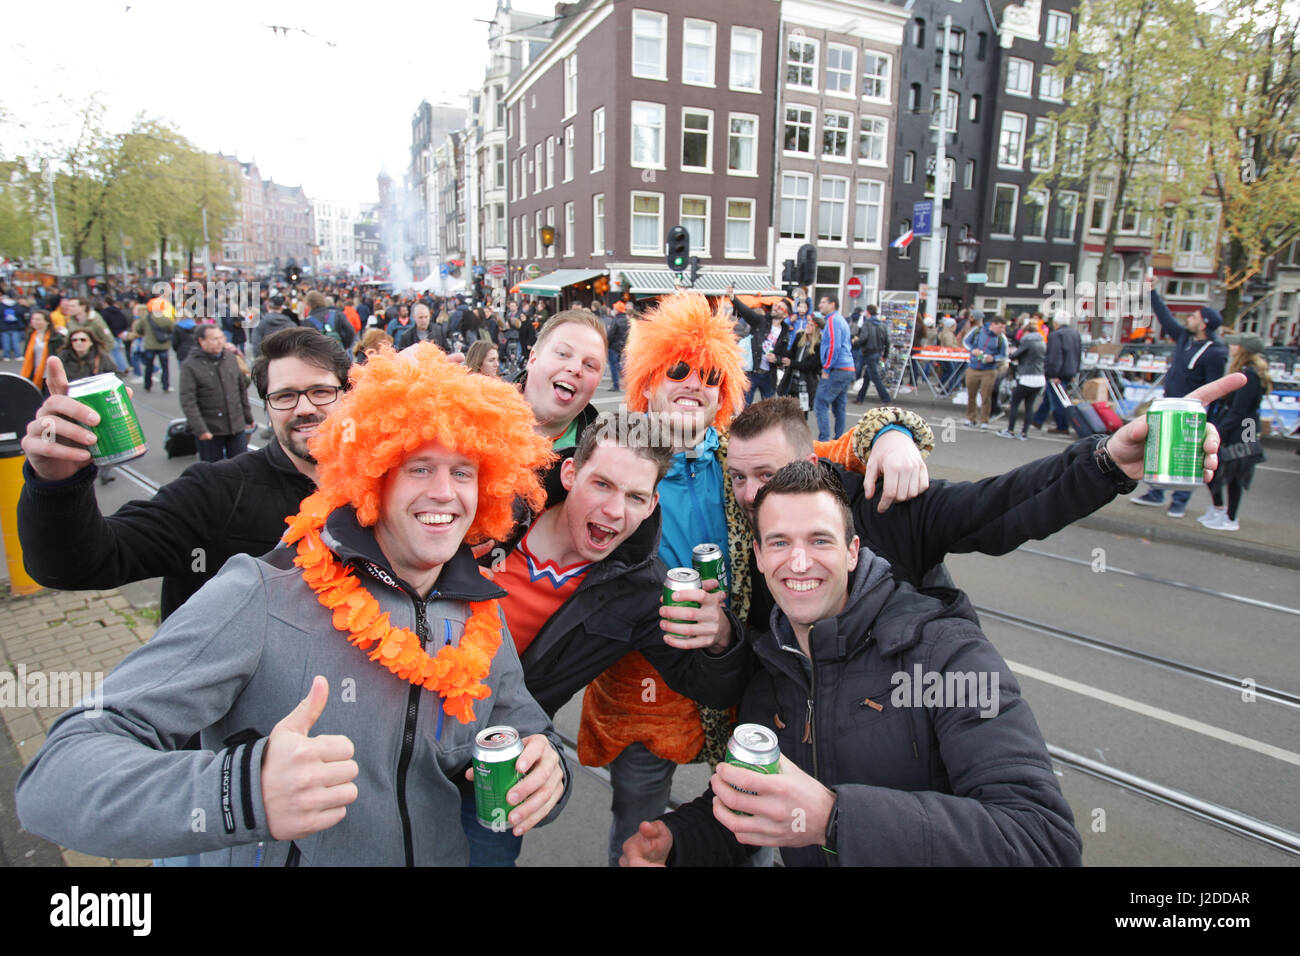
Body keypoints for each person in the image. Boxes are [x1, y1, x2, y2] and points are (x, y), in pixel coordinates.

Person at [15, 344, 569, 866]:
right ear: (372, 478)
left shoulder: (479, 610)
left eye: (464, 471)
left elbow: (518, 722)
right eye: (419, 467)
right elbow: (56, 778)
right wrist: (242, 791)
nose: (446, 492)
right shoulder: (263, 592)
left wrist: (551, 767)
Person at [577, 295, 932, 866]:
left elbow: (826, 455)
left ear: (727, 390)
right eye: (678, 369)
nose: (695, 383)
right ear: (647, 378)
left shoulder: (739, 457)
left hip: (741, 671)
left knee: (751, 818)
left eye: (711, 374)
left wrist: (891, 433)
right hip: (644, 688)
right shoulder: (619, 453)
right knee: (640, 828)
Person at [620, 460, 1083, 867]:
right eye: (779, 543)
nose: (799, 562)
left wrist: (835, 820)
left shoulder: (947, 654)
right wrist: (680, 840)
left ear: (852, 550)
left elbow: (1042, 841)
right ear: (759, 557)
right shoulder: (772, 672)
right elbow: (763, 805)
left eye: (819, 540)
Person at [1129, 287, 1228, 517]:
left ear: (1203, 324)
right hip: (1170, 403)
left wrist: (1206, 415)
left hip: (1192, 410)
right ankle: (1155, 493)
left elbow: (1214, 387)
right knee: (1159, 447)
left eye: (1193, 316)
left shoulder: (1216, 353)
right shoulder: (1184, 338)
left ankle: (1180, 500)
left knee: (1187, 454)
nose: (1188, 319)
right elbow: (1165, 317)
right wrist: (1152, 290)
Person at [1201, 333, 1271, 532]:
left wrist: (1219, 431)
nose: (1231, 348)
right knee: (1229, 471)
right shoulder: (1248, 372)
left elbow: (1239, 410)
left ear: (1242, 349)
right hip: (1244, 427)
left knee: (1235, 473)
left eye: (1235, 345)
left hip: (1242, 431)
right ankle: (1221, 510)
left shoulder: (1248, 376)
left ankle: (1229, 516)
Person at [517, 309, 607, 448]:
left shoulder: (600, 455)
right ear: (533, 359)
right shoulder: (475, 416)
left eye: (589, 365)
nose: (576, 368)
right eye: (562, 353)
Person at [179, 325, 255, 463]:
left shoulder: (231, 358)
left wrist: (248, 418)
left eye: (222, 338)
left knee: (242, 465)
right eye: (214, 339)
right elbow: (188, 401)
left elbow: (241, 390)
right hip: (210, 429)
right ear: (201, 341)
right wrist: (200, 429)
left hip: (236, 426)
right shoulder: (190, 366)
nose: (220, 342)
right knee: (213, 471)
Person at [811, 295, 856, 442]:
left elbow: (833, 346)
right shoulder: (841, 320)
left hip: (837, 368)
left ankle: (824, 441)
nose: (820, 306)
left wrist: (827, 368)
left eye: (823, 302)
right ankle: (839, 440)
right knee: (839, 407)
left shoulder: (832, 320)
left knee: (820, 403)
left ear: (832, 304)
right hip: (847, 367)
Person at [999, 321, 1046, 440]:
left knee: (1014, 403)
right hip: (1040, 378)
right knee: (1029, 406)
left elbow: (1014, 355)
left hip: (1027, 377)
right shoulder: (1042, 342)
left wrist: (1011, 354)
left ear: (1027, 332)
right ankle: (1024, 433)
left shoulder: (1028, 341)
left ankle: (1010, 430)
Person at [962, 312, 1008, 428]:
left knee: (986, 396)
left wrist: (993, 358)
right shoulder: (978, 331)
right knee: (971, 395)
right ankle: (970, 418)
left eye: (1004, 327)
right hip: (973, 367)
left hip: (989, 370)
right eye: (1000, 327)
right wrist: (973, 350)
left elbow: (1004, 355)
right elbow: (965, 342)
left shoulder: (1001, 338)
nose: (1002, 329)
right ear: (993, 324)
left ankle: (984, 420)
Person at [132, 299, 176, 392]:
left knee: (149, 366)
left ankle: (147, 385)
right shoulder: (166, 319)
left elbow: (138, 329)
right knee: (165, 367)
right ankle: (165, 386)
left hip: (150, 345)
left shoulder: (145, 318)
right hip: (163, 345)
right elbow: (172, 330)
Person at [853, 303, 892, 404]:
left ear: (868, 312)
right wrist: (885, 355)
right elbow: (887, 341)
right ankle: (860, 398)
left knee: (875, 378)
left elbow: (863, 338)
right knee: (867, 377)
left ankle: (886, 399)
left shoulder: (867, 324)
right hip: (878, 353)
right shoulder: (882, 325)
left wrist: (855, 341)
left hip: (869, 353)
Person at [20, 310, 65, 391]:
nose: (34, 322)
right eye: (33, 319)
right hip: (34, 373)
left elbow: (60, 355)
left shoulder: (56, 337)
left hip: (49, 374)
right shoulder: (31, 336)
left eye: (38, 319)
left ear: (47, 322)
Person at [606, 301, 629, 391]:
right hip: (622, 345)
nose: (614, 310)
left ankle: (616, 385)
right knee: (619, 365)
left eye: (615, 308)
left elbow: (611, 334)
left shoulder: (615, 320)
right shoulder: (626, 320)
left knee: (613, 365)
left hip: (614, 345)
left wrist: (607, 343)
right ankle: (627, 380)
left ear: (617, 310)